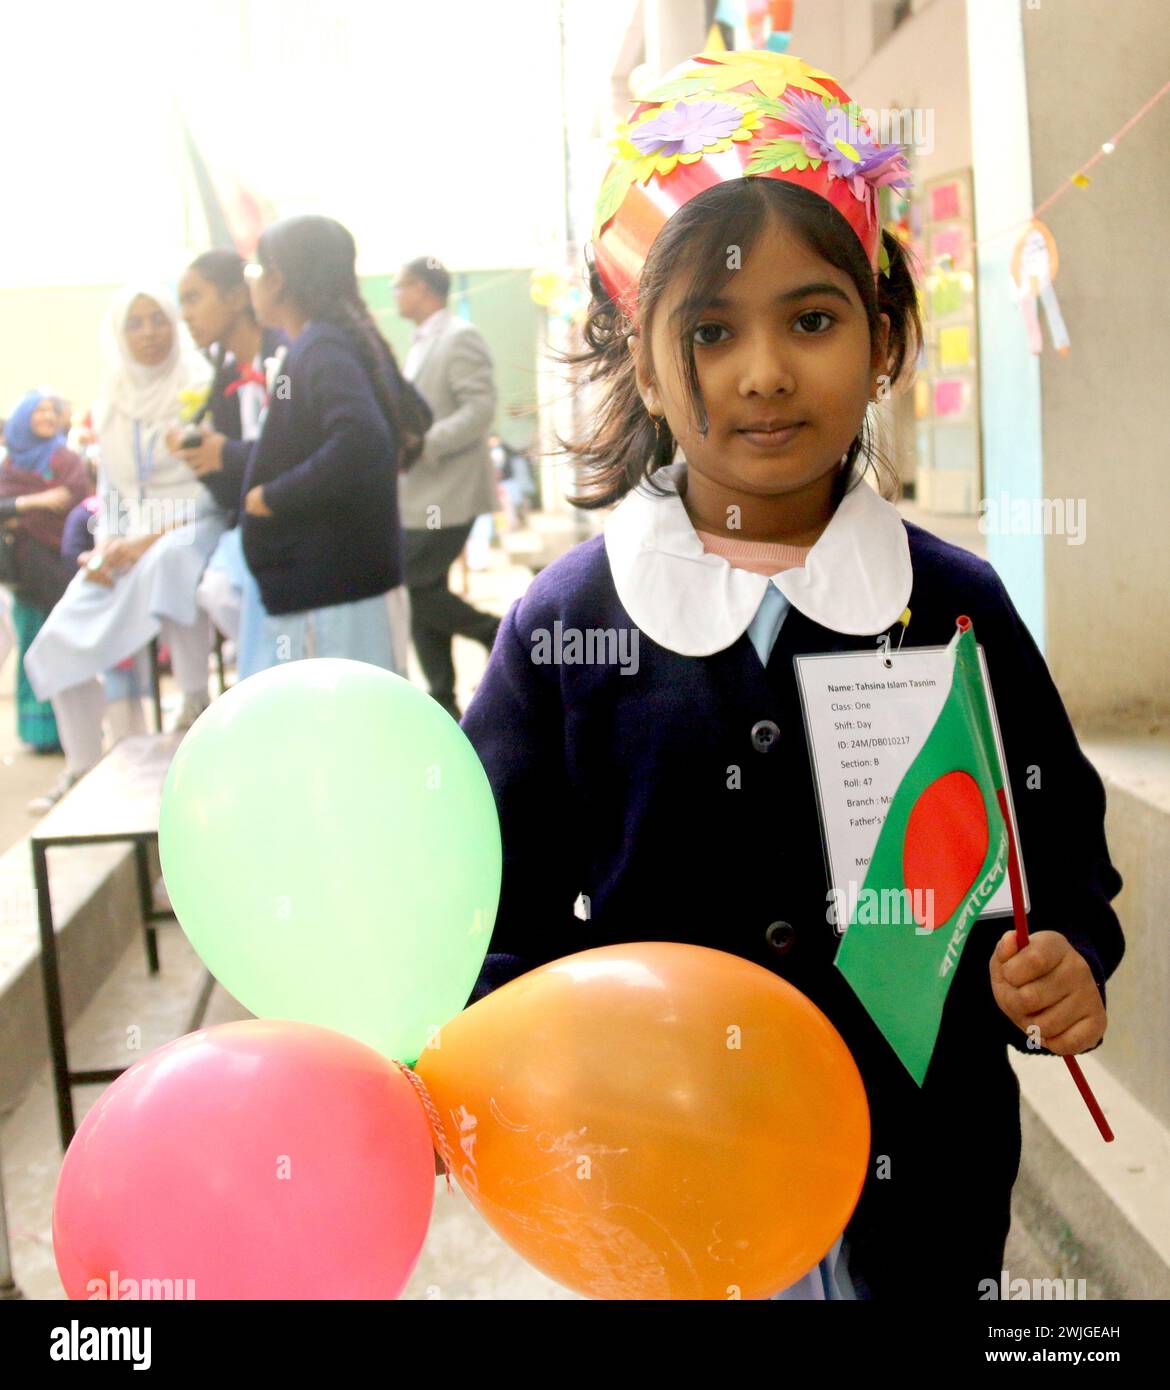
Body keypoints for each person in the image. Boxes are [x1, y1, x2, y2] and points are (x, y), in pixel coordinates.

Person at [459, 49, 1124, 1301]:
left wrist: (1064, 959)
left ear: (881, 341)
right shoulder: (566, 628)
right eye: (710, 332)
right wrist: (524, 1064)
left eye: (810, 321)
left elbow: (1058, 852)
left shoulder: (956, 610)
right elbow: (499, 913)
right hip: (671, 1188)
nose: (763, 371)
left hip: (923, 1175)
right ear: (645, 365)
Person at [24, 284, 222, 808]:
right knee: (56, 638)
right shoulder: (112, 399)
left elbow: (214, 488)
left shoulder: (200, 384)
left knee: (168, 561)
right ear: (118, 332)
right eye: (135, 323)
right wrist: (107, 543)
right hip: (128, 539)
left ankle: (195, 699)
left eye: (158, 319)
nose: (149, 333)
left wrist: (142, 540)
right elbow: (110, 491)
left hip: (193, 525)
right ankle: (83, 763)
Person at [231, 214, 412, 671]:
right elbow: (409, 422)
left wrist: (273, 496)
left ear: (279, 280)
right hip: (342, 588)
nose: (251, 284)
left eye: (253, 272)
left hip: (335, 595)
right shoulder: (336, 340)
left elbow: (363, 441)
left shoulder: (322, 347)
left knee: (346, 734)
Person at [171, 248, 285, 678]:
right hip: (249, 524)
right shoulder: (223, 378)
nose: (186, 314)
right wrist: (200, 457)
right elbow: (230, 488)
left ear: (238, 297)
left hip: (292, 525)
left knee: (225, 589)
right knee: (216, 590)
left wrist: (225, 454)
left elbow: (298, 453)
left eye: (194, 298)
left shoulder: (285, 356)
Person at [395, 256, 499, 719]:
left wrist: (425, 445)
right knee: (421, 590)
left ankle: (494, 632)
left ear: (422, 288)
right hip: (422, 496)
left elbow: (479, 410)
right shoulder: (420, 343)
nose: (396, 296)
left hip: (451, 492)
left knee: (415, 587)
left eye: (401, 287)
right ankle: (442, 699)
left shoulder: (459, 337)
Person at [0, 392, 89, 751]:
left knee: (63, 641)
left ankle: (74, 733)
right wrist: (32, 503)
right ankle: (39, 733)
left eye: (51, 410)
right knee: (31, 645)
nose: (47, 416)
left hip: (61, 565)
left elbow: (75, 497)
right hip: (25, 572)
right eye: (37, 411)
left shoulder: (65, 458)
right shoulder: (9, 465)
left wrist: (19, 513)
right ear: (22, 419)